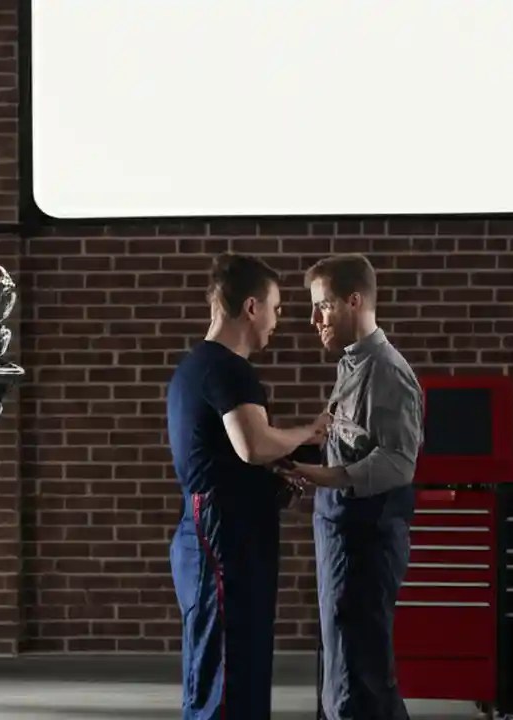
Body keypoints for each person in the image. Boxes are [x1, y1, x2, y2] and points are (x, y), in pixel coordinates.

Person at [166, 251, 331, 719]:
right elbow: (253, 446)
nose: (278, 321)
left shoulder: (195, 366)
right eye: (277, 309)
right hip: (224, 534)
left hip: (212, 528)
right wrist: (311, 432)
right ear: (252, 307)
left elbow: (228, 457)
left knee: (224, 661)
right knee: (228, 668)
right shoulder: (228, 369)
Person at [282, 253, 424, 720]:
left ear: (354, 302)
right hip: (340, 534)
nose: (313, 319)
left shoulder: (387, 370)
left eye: (323, 306)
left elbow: (399, 460)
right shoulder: (351, 364)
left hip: (366, 539)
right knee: (340, 660)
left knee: (364, 672)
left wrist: (328, 477)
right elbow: (351, 439)